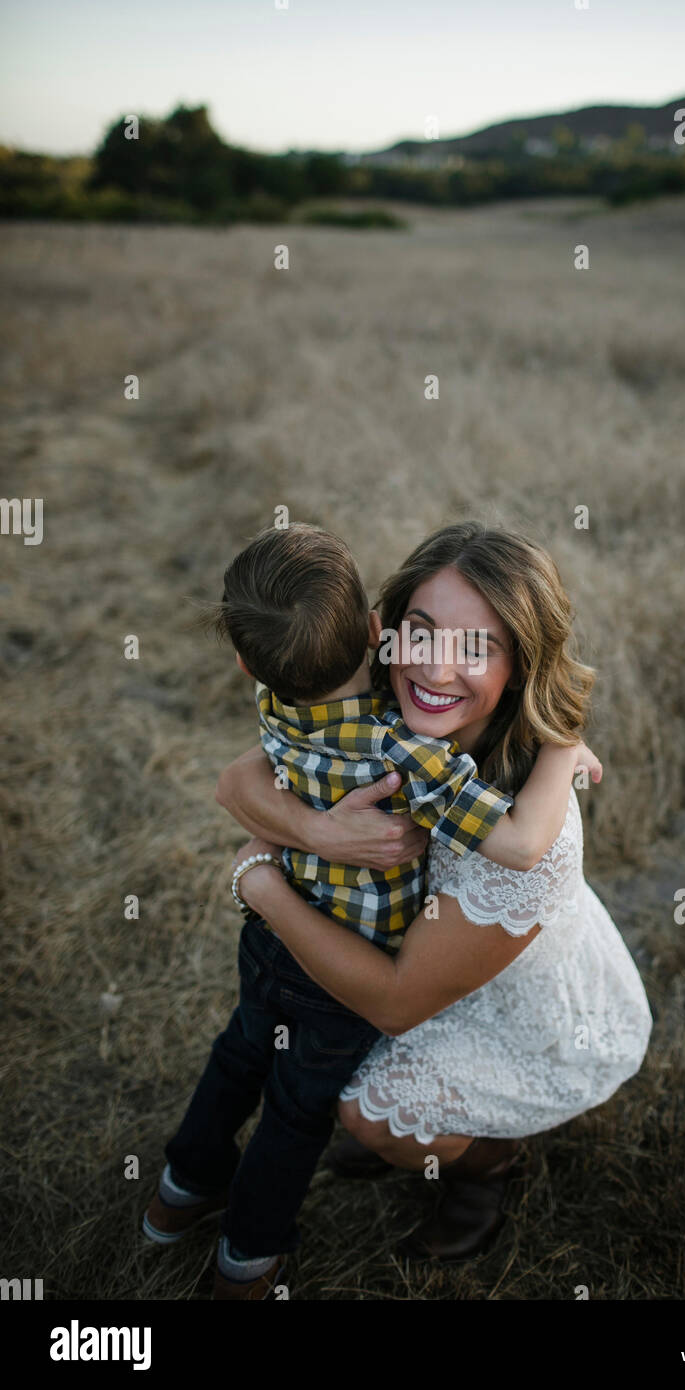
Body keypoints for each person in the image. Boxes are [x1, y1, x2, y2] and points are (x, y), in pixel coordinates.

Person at [143, 522, 595, 1298]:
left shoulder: (315, 701)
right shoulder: (390, 715)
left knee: (299, 1085)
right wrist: (321, 831)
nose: (435, 667)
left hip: (490, 1003)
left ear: (523, 665)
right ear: (381, 633)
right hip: (365, 965)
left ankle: (485, 1162)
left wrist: (260, 880)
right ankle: (245, 1250)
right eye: (421, 633)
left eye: (475, 648)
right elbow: (233, 783)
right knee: (291, 1097)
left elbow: (397, 997)